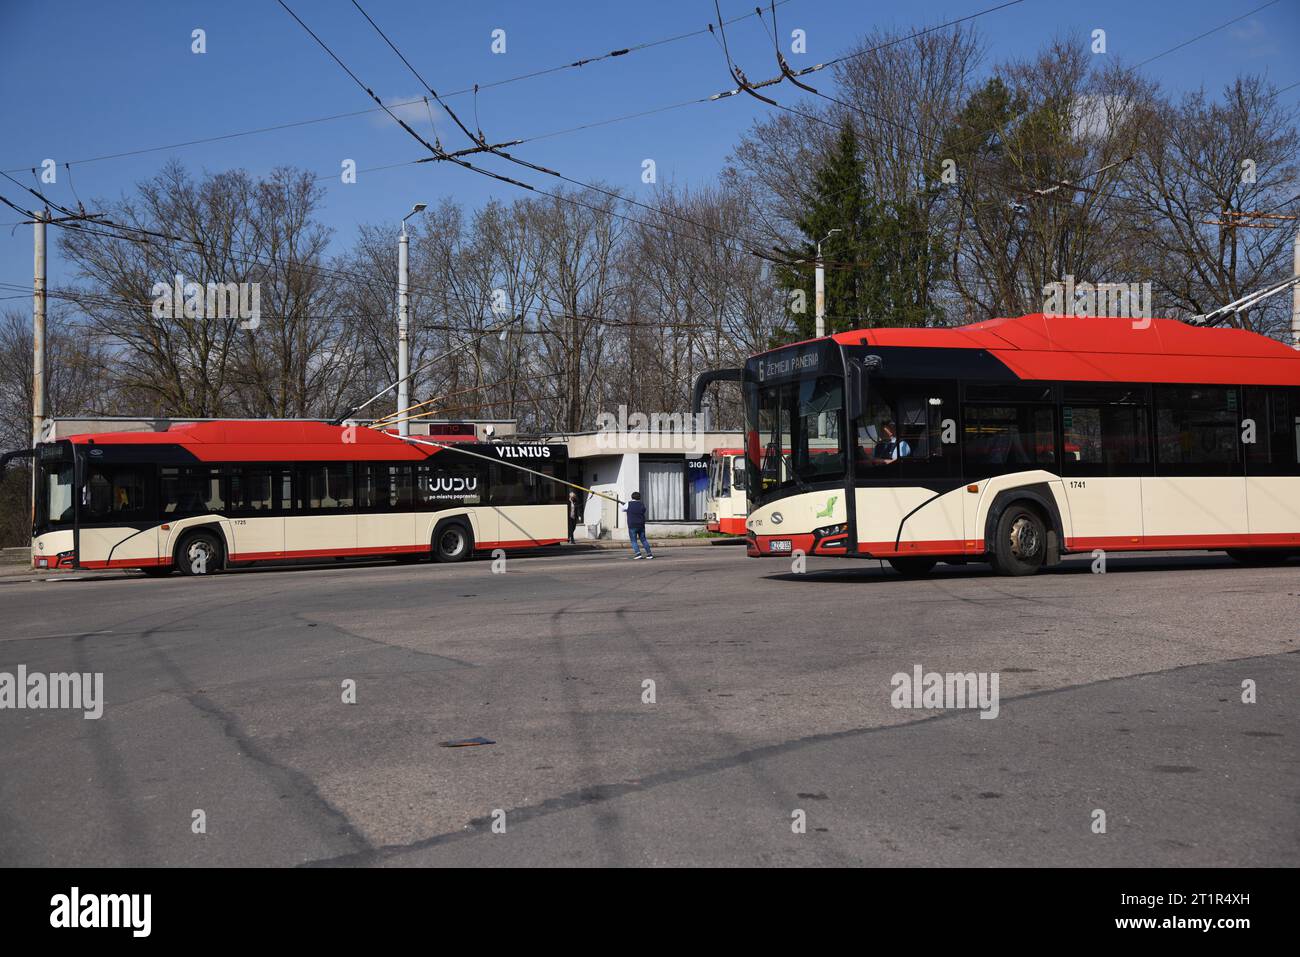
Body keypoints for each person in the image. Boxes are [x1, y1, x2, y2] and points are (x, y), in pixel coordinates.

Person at [623, 491, 653, 560]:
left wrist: (621, 504)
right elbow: (643, 510)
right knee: (643, 540)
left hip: (632, 525)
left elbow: (623, 509)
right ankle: (649, 554)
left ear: (632, 497)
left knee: (633, 540)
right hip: (641, 525)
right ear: (639, 497)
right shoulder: (641, 504)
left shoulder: (628, 503)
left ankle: (638, 554)